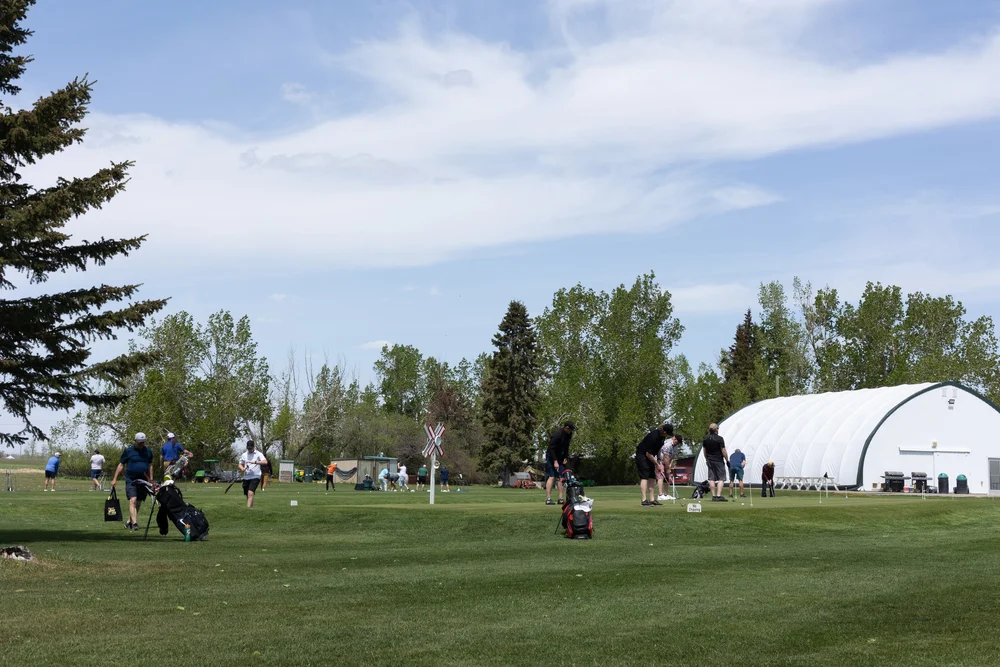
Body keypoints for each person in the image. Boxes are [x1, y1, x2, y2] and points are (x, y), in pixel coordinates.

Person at [110, 433, 153, 530]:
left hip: (143, 479)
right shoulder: (129, 451)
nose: (141, 445)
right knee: (133, 499)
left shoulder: (148, 452)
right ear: (135, 441)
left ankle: (130, 521)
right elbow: (121, 465)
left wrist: (151, 478)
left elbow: (150, 465)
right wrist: (114, 478)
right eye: (139, 443)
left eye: (142, 443)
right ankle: (135, 524)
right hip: (131, 479)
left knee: (138, 502)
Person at [635, 424, 672, 506]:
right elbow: (648, 454)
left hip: (650, 456)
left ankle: (652, 499)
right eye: (668, 433)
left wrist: (658, 459)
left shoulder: (662, 437)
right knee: (645, 476)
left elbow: (659, 449)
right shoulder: (653, 436)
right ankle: (644, 500)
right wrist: (656, 464)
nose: (668, 435)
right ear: (664, 431)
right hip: (642, 455)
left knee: (652, 476)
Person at [545, 421, 576, 505]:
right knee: (552, 476)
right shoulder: (557, 435)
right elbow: (551, 449)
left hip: (561, 457)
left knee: (561, 477)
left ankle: (560, 498)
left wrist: (565, 457)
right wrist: (555, 461)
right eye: (570, 429)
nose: (571, 431)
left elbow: (566, 447)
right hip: (551, 456)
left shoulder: (569, 435)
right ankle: (548, 498)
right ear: (566, 428)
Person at [702, 423, 730, 502]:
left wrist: (707, 459)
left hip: (710, 460)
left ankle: (713, 496)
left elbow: (704, 451)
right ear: (715, 430)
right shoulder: (719, 439)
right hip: (718, 460)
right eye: (717, 428)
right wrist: (727, 460)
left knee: (712, 478)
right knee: (721, 478)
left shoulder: (706, 439)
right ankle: (718, 495)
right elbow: (723, 450)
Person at [238, 440, 267, 509]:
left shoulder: (258, 454)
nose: (250, 449)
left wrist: (255, 462)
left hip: (255, 476)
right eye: (248, 448)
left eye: (251, 448)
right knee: (248, 494)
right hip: (246, 477)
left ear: (253, 447)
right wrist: (242, 468)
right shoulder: (244, 455)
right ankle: (251, 508)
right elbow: (240, 464)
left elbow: (265, 462)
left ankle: (248, 509)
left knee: (250, 492)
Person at [657, 434, 681, 501]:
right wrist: (668, 468)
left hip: (667, 462)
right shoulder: (668, 444)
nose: (677, 443)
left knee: (666, 478)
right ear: (674, 439)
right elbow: (666, 457)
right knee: (661, 476)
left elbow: (672, 456)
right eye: (677, 442)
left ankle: (666, 494)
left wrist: (670, 465)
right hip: (660, 461)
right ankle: (660, 495)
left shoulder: (676, 446)